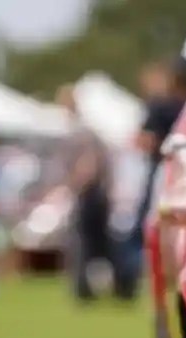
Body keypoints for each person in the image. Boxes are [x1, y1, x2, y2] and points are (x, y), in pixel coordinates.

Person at [118, 59, 186, 301]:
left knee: (144, 232)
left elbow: (144, 141)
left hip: (161, 173)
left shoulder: (159, 106)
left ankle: (129, 284)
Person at [55, 85, 114, 304]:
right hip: (93, 193)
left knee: (82, 242)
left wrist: (75, 184)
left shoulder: (79, 131)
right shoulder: (84, 129)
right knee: (97, 244)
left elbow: (88, 164)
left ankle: (82, 288)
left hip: (88, 194)